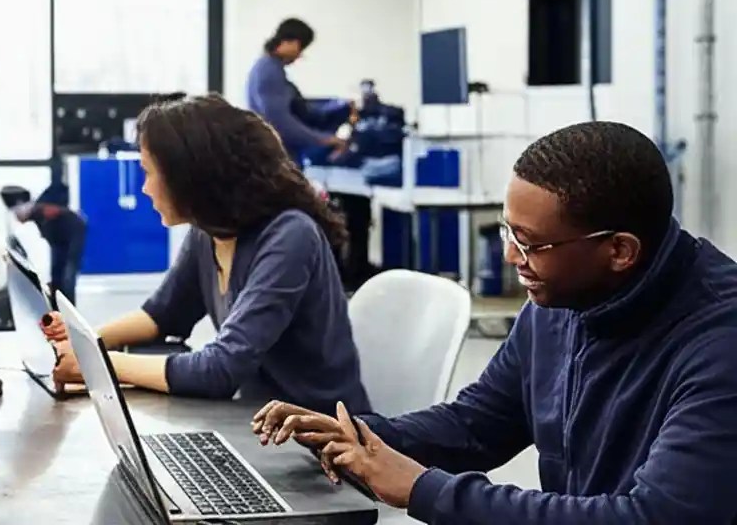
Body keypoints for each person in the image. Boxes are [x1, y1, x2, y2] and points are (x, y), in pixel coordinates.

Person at [252, 121, 737, 524]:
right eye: (508, 231)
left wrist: (424, 489)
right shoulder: (563, 299)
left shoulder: (719, 341)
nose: (510, 257)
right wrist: (355, 440)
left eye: (528, 243)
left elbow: (651, 518)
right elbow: (479, 423)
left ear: (619, 250)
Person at [43, 95, 370, 413]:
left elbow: (220, 370)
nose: (144, 187)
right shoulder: (208, 231)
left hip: (324, 446)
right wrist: (85, 340)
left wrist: (96, 364)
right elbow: (162, 315)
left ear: (189, 175)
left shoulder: (289, 235)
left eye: (148, 172)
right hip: (256, 423)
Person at [245, 18, 346, 159]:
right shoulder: (268, 71)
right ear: (291, 42)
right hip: (273, 156)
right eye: (301, 47)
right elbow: (279, 121)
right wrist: (323, 139)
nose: (299, 55)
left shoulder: (271, 68)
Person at [12, 194, 88, 305]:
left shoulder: (42, 210)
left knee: (69, 270)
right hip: (60, 239)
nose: (17, 219)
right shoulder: (35, 216)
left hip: (73, 234)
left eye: (18, 216)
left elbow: (59, 214)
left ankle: (69, 304)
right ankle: (56, 301)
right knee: (57, 271)